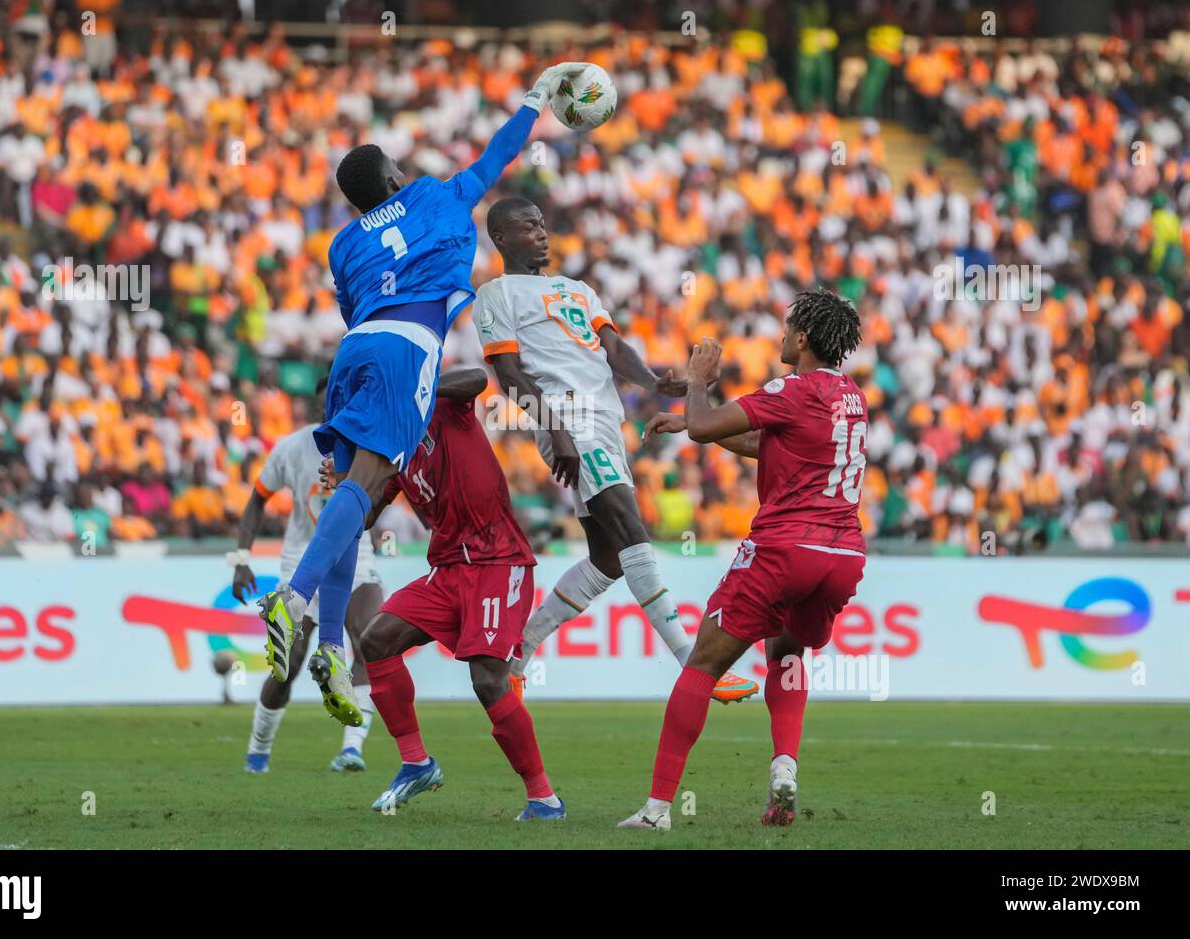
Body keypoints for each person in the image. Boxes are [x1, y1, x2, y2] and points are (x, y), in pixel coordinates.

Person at [256, 62, 590, 729]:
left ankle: (326, 651)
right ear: (393, 180)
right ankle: (291, 599)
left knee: (354, 497)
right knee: (365, 489)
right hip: (405, 347)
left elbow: (354, 310)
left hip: (353, 352)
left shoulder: (342, 242)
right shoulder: (435, 197)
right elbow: (497, 156)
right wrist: (534, 99)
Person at [475, 197, 759, 704]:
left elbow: (613, 347)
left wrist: (652, 381)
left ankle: (518, 652)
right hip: (569, 418)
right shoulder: (495, 295)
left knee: (607, 558)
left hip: (604, 420)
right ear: (500, 238)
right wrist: (556, 429)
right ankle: (694, 663)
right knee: (633, 530)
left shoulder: (578, 290)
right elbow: (510, 374)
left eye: (543, 224)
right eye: (528, 227)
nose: (542, 234)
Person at [620, 289, 867, 831]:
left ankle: (658, 810)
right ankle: (784, 770)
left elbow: (714, 424)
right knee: (786, 649)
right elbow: (771, 443)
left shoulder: (792, 388)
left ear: (802, 340)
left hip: (785, 549)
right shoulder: (850, 395)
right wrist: (692, 422)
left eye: (786, 329)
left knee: (703, 663)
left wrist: (699, 384)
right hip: (842, 554)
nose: (780, 336)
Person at [347, 368, 563, 820]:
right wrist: (347, 489)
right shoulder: (392, 448)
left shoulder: (440, 404)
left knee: (487, 680)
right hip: (446, 569)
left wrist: (414, 387)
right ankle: (415, 763)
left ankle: (544, 798)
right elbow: (366, 514)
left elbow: (475, 379)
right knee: (375, 641)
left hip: (497, 562)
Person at [230, 383, 384, 775]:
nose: (334, 405)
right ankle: (257, 751)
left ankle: (351, 749)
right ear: (320, 404)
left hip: (357, 554)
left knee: (367, 640)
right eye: (328, 399)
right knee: (289, 665)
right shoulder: (292, 448)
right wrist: (241, 558)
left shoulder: (368, 443)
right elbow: (257, 499)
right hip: (303, 559)